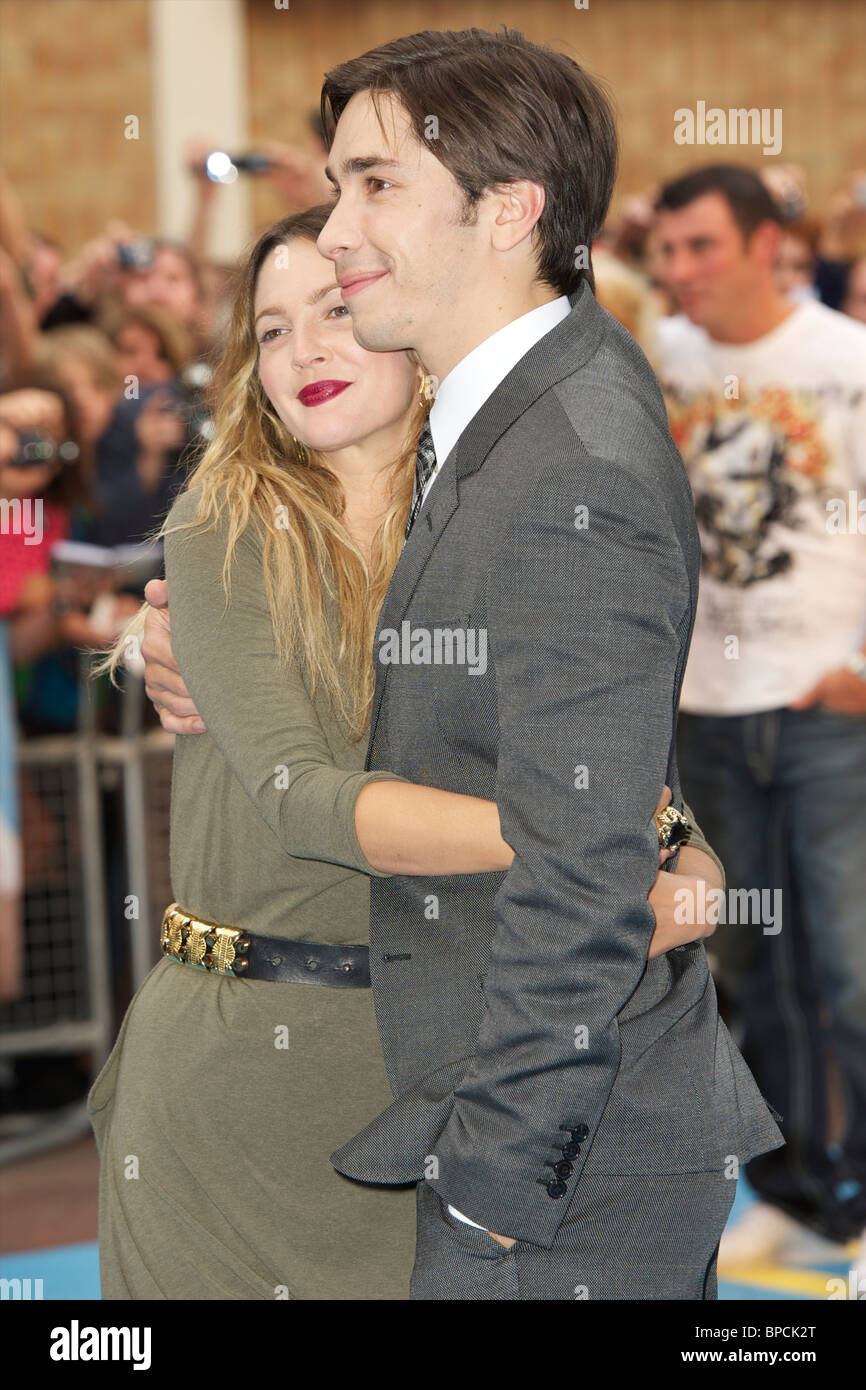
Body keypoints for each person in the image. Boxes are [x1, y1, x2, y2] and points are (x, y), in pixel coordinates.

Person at [141, 27, 784, 1301]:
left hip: (542, 1158)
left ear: (506, 212)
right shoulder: (505, 436)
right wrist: (599, 835)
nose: (334, 230)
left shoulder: (558, 457)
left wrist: (491, 1196)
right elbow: (567, 786)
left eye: (373, 185)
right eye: (336, 189)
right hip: (427, 1111)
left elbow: (593, 836)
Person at [651, 164, 866, 1272]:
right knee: (747, 971)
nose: (679, 270)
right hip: (704, 709)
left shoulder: (842, 360)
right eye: (668, 250)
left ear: (764, 242)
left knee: (847, 968)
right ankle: (805, 1195)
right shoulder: (661, 358)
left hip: (826, 712)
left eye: (701, 246)